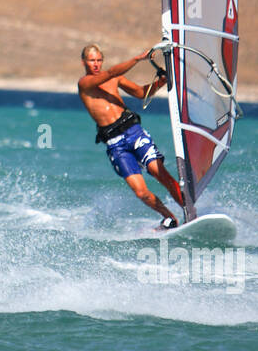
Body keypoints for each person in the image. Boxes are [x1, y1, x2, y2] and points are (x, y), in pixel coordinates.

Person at [77, 43, 183, 228]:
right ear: (84, 62)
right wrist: (136, 59)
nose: (96, 64)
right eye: (92, 60)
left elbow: (142, 93)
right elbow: (109, 74)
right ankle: (170, 218)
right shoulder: (84, 84)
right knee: (141, 192)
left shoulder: (115, 79)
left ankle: (189, 210)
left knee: (159, 173)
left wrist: (161, 81)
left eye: (99, 60)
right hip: (115, 144)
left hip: (133, 132)